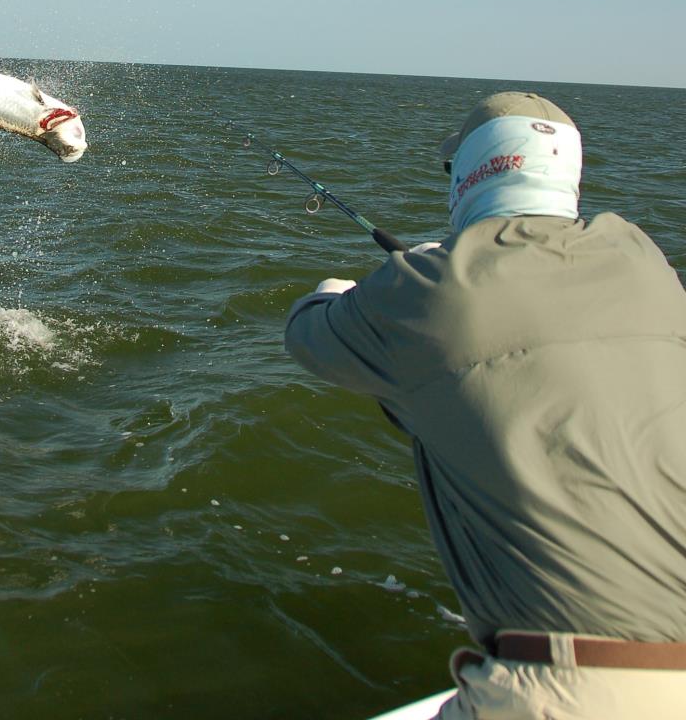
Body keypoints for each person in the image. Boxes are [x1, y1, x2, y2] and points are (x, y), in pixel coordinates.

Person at [284, 92, 686, 719]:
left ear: (472, 170)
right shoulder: (644, 260)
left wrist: (339, 291)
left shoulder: (425, 289)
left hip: (573, 692)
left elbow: (309, 339)